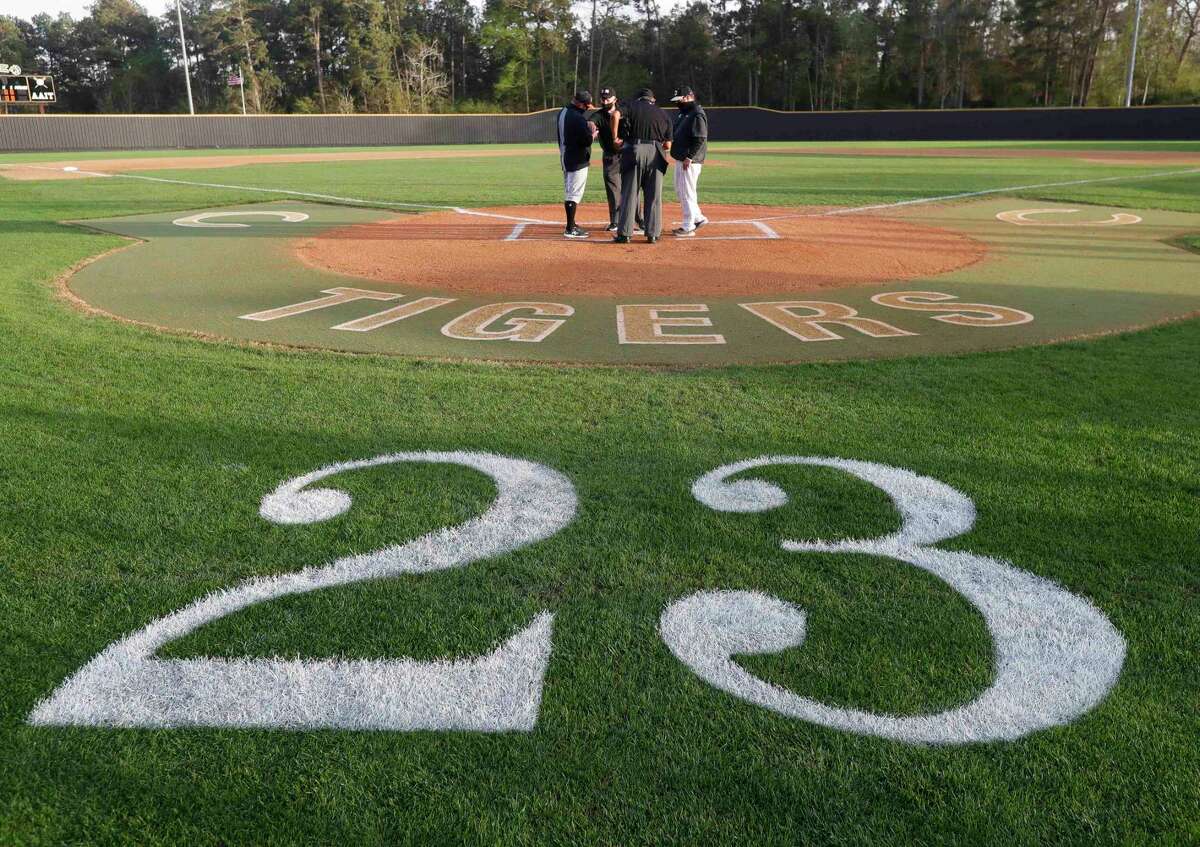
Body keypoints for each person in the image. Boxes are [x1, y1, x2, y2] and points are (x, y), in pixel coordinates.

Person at [614, 88, 672, 244]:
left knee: (630, 194)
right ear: (652, 100)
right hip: (657, 153)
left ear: (639, 99)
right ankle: (653, 234)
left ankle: (625, 234)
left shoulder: (632, 106)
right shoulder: (663, 113)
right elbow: (667, 145)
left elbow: (615, 114)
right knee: (654, 196)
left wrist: (615, 137)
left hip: (635, 150)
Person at [590, 87, 642, 233]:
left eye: (608, 98)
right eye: (603, 98)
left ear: (615, 99)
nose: (605, 100)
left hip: (628, 154)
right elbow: (592, 122)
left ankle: (639, 220)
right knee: (613, 189)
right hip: (610, 156)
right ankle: (616, 221)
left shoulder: (624, 112)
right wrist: (591, 128)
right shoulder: (599, 116)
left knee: (633, 187)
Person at [556, 90, 597, 239]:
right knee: (574, 193)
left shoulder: (563, 112)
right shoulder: (577, 118)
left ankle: (571, 223)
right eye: (586, 105)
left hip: (565, 156)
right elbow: (586, 140)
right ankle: (570, 228)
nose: (587, 108)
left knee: (570, 190)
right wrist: (592, 135)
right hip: (576, 159)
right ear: (579, 103)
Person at [670, 85, 709, 237]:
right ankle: (698, 218)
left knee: (687, 192)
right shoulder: (685, 113)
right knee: (680, 190)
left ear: (687, 97)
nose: (677, 103)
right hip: (681, 158)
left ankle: (688, 226)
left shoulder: (697, 113)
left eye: (679, 100)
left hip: (689, 161)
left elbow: (700, 138)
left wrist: (689, 157)